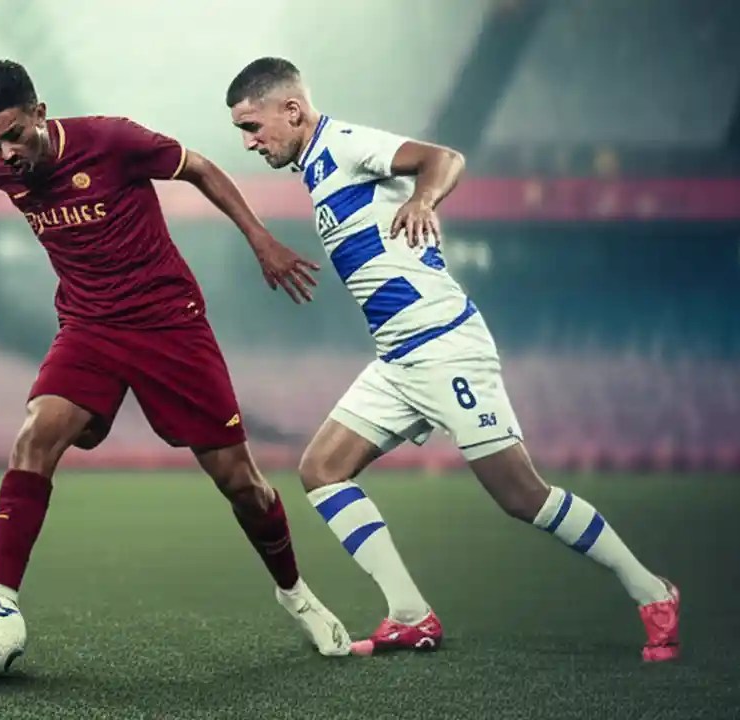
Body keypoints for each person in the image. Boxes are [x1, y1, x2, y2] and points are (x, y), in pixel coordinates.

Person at [223, 56, 680, 662]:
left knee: (523, 497)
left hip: (444, 344)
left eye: (253, 128)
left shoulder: (348, 143)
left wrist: (425, 199)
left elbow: (445, 159)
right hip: (396, 360)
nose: (250, 142)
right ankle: (410, 614)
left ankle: (651, 591)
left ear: (293, 110)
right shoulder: (314, 170)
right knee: (322, 469)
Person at [0, 59, 351, 656]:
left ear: (41, 113)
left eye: (14, 134)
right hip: (89, 327)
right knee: (36, 437)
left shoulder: (110, 140)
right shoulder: (1, 175)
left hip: (168, 324)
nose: (5, 153)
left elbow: (202, 168)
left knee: (241, 484)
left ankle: (295, 593)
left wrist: (261, 240)